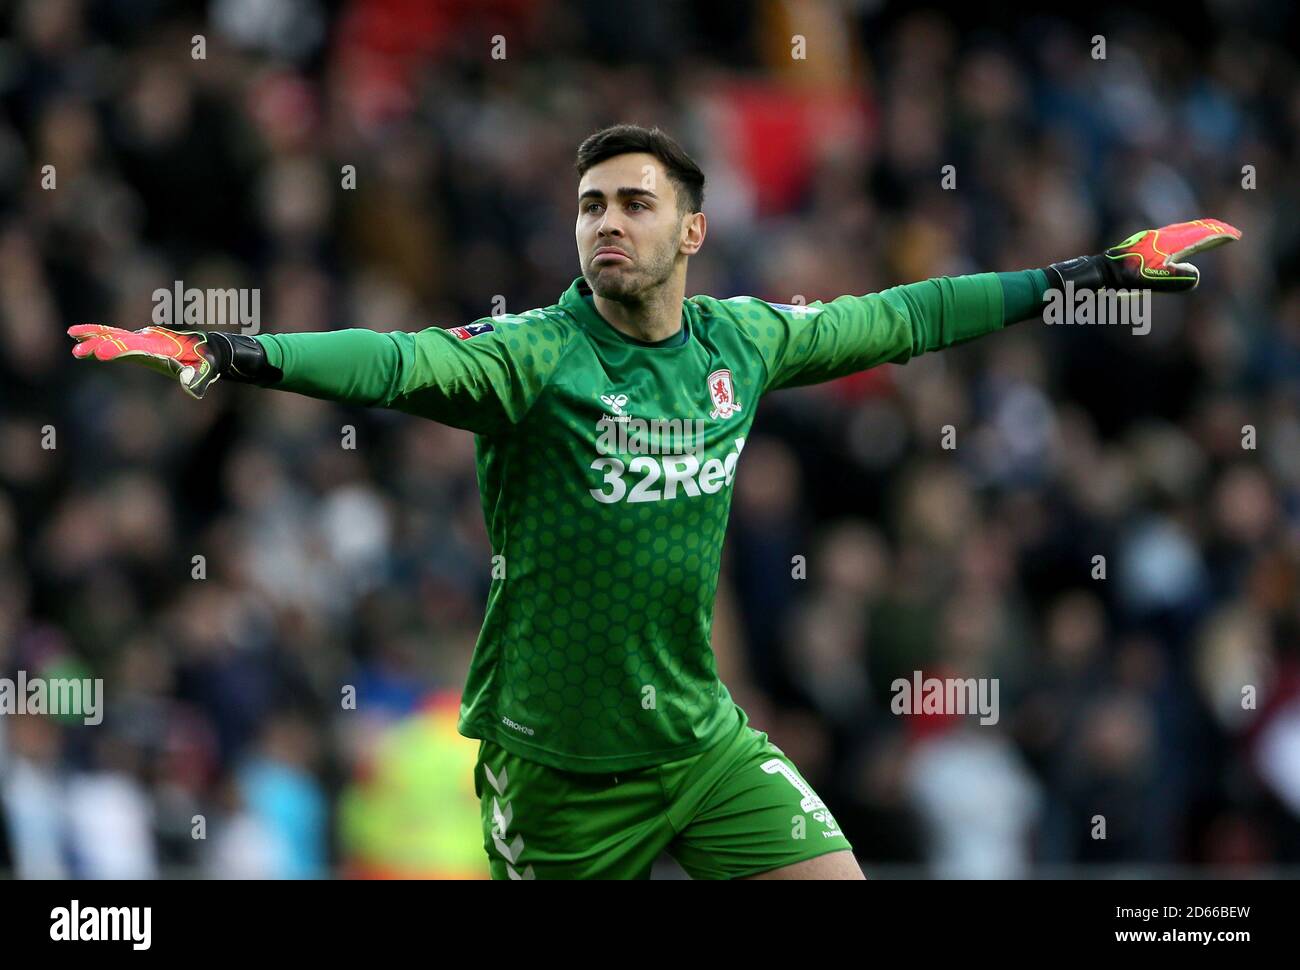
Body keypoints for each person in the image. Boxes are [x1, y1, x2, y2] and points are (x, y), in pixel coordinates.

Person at [67, 124, 1239, 880]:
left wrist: (1080, 275)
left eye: (632, 202)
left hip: (696, 736)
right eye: (589, 206)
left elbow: (906, 314)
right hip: (560, 774)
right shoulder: (532, 356)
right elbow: (395, 359)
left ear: (692, 229)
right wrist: (233, 351)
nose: (605, 223)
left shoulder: (744, 339)